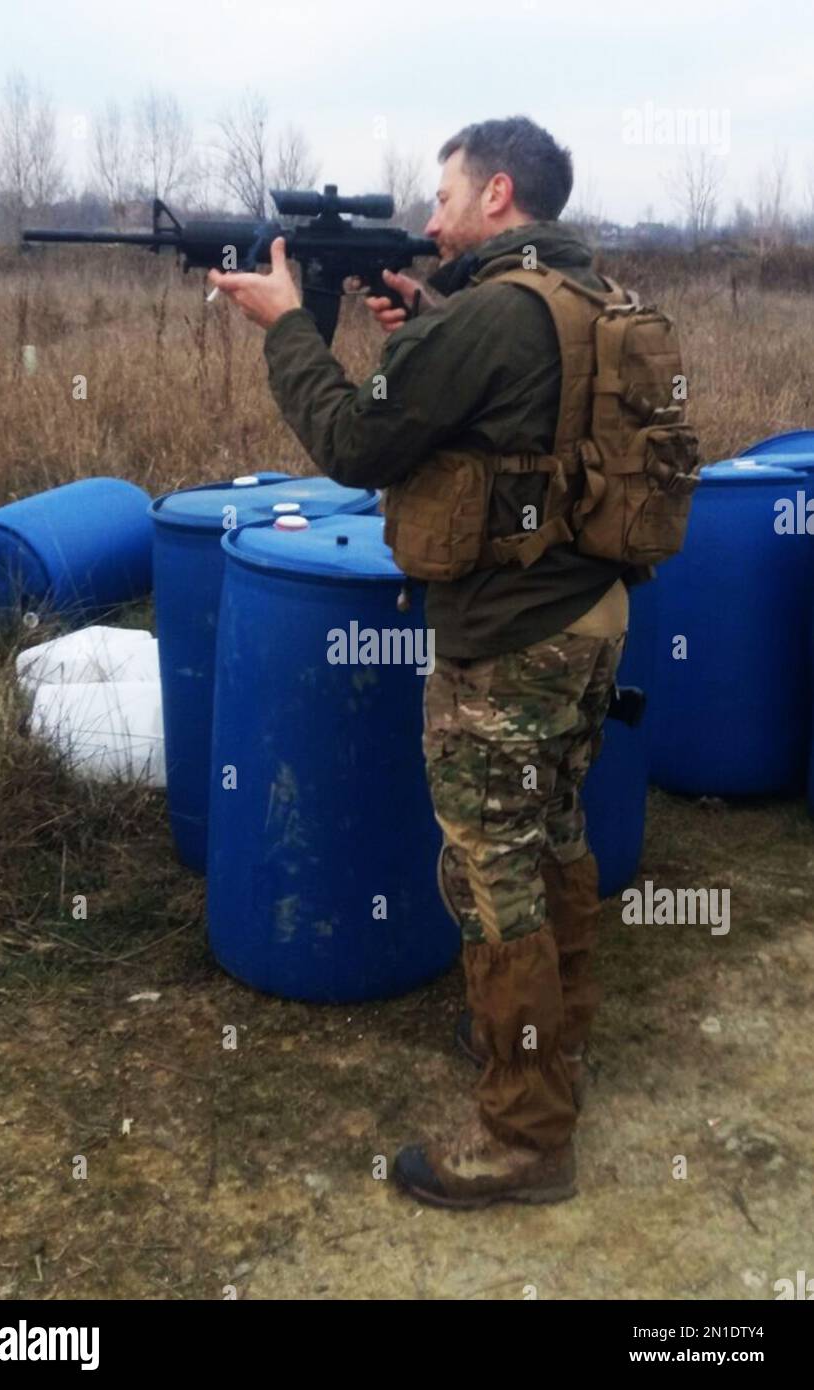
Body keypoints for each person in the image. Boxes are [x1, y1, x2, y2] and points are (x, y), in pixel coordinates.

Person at [208, 115, 634, 1209]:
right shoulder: (589, 299)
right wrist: (429, 327)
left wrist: (281, 329)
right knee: (554, 838)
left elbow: (355, 442)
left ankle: (525, 1137)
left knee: (490, 876)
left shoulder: (491, 316)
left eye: (442, 199)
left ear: (497, 195)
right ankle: (550, 1042)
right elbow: (522, 415)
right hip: (590, 615)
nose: (429, 219)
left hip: (507, 637)